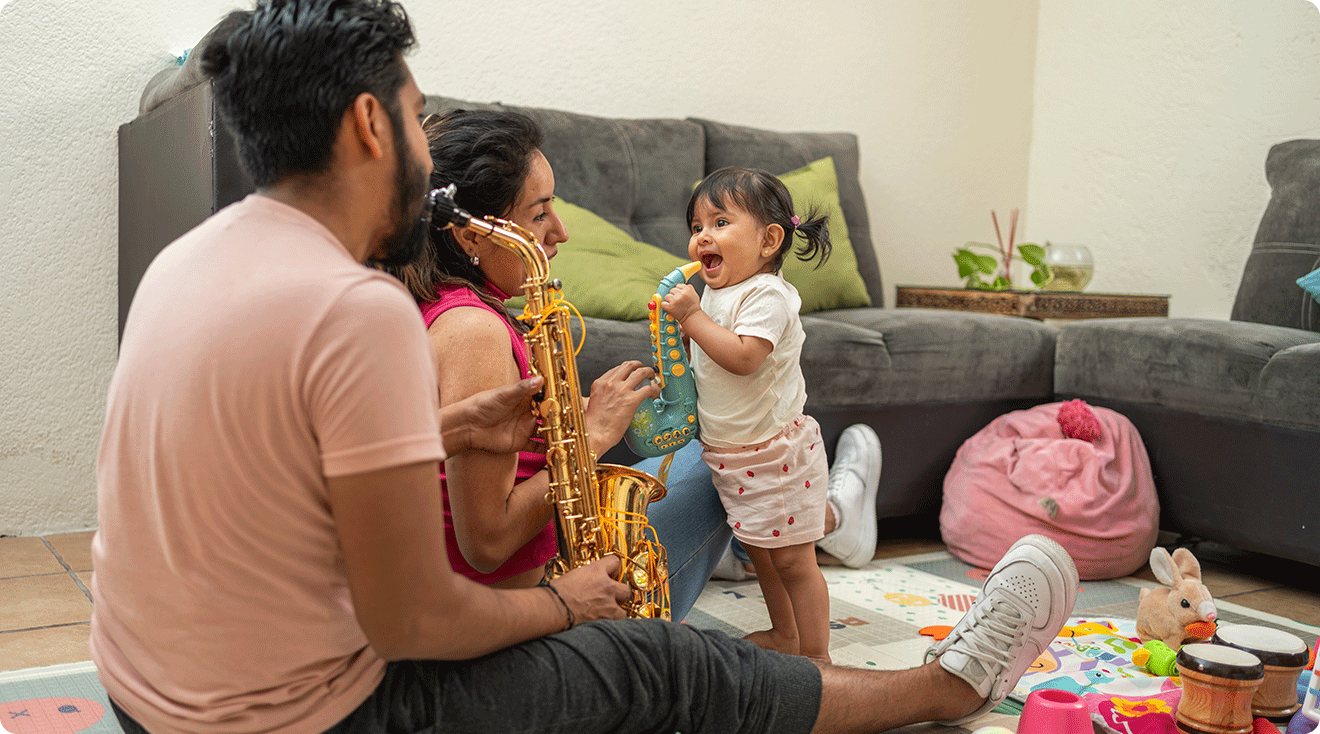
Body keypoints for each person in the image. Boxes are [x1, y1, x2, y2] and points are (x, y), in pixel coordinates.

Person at [92, 1, 1081, 732]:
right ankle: (949, 686)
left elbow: (255, 452)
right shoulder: (354, 308)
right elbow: (414, 620)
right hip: (299, 718)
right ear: (366, 124)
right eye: (412, 110)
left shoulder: (195, 258)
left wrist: (434, 432)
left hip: (143, 700)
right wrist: (564, 605)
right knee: (662, 662)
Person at [380, 108, 730, 619]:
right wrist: (592, 435)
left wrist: (571, 416)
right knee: (718, 458)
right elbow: (487, 542)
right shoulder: (472, 332)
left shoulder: (432, 305)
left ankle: (753, 544)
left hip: (536, 574)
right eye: (539, 212)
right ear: (471, 235)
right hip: (534, 612)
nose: (560, 232)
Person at [659, 168, 836, 661]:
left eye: (719, 222)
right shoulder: (716, 292)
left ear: (769, 240)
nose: (702, 238)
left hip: (775, 457)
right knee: (761, 553)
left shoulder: (767, 296)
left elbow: (743, 358)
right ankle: (786, 635)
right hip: (734, 456)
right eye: (696, 227)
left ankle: (818, 658)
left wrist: (692, 319)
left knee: (795, 562)